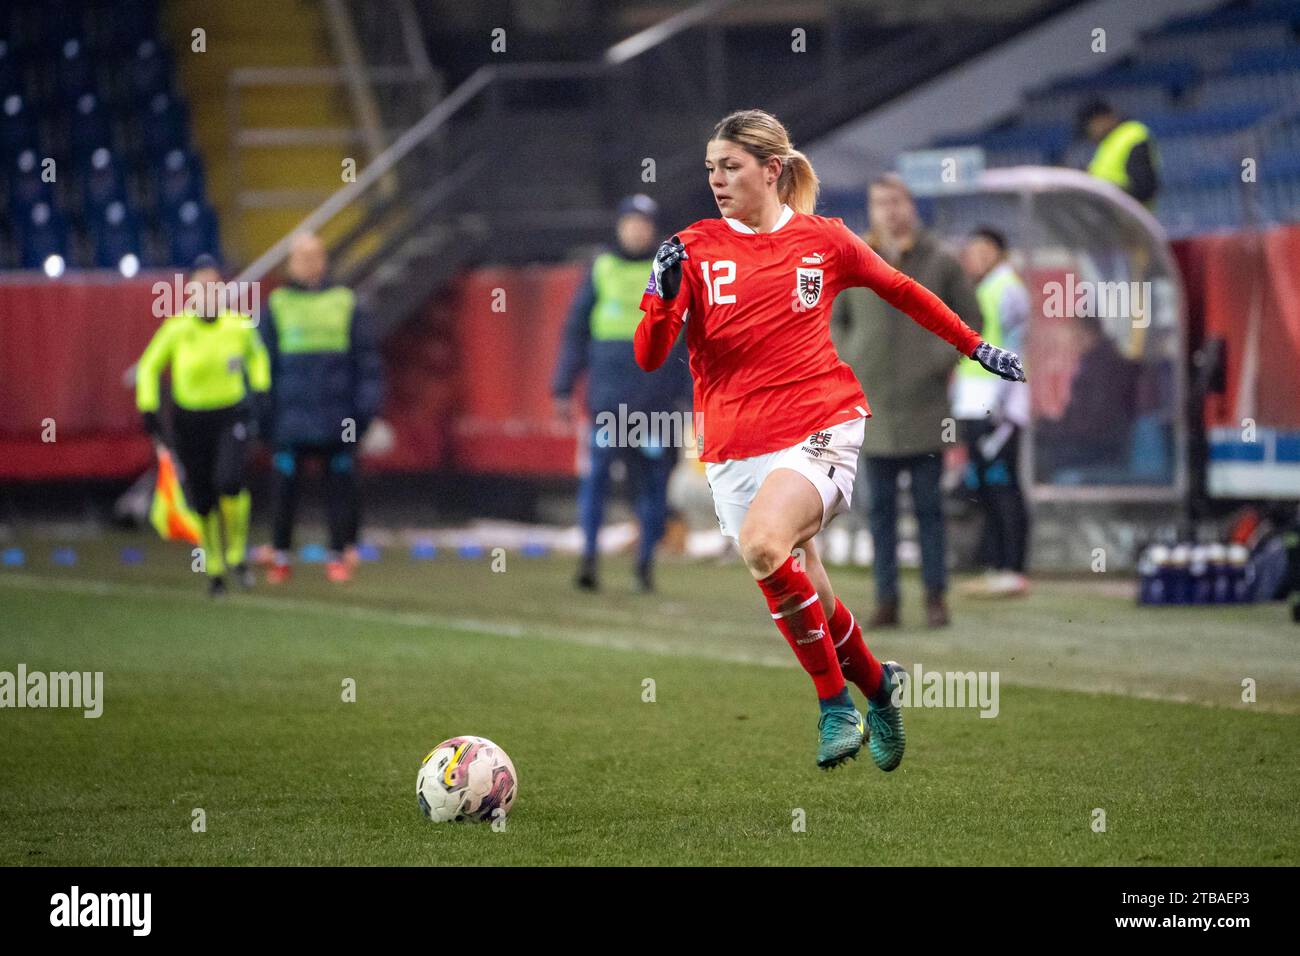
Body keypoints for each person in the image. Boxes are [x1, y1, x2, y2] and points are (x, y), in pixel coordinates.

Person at [635, 109, 1023, 771]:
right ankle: (880, 687)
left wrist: (974, 345)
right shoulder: (693, 248)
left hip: (821, 420)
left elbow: (901, 289)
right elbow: (650, 356)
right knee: (807, 582)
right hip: (733, 446)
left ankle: (833, 706)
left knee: (762, 546)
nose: (717, 180)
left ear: (771, 170)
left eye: (730, 166)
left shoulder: (825, 240)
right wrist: (659, 289)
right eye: (711, 168)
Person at [832, 173, 983, 629]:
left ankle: (936, 598)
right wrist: (850, 358)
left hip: (926, 410)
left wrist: (939, 360)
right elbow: (831, 319)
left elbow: (971, 319)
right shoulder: (852, 259)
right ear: (871, 209)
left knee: (929, 509)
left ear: (911, 205)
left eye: (896, 201)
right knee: (878, 513)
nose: (890, 211)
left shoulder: (940, 261)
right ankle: (886, 600)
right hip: (871, 409)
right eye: (880, 203)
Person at [552, 194, 691, 592]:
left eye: (644, 223)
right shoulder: (601, 269)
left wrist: (691, 398)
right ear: (620, 226)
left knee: (653, 486)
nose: (637, 229)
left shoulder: (671, 271)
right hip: (609, 404)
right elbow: (576, 331)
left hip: (656, 404)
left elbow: (687, 339)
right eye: (631, 221)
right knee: (595, 478)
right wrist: (562, 386)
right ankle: (589, 561)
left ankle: (644, 566)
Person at [136, 255, 270, 596]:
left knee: (229, 480)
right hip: (190, 422)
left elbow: (258, 358)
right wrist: (149, 410)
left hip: (230, 415)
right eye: (201, 286)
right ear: (190, 292)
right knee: (203, 497)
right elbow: (149, 367)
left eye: (214, 285)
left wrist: (260, 391)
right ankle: (213, 565)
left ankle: (237, 551)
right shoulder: (177, 329)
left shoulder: (239, 325)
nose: (208, 292)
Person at [260, 232, 383, 584]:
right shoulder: (277, 304)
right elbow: (262, 363)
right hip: (291, 415)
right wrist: (263, 413)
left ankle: (340, 555)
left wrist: (365, 410)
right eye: (302, 256)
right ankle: (280, 556)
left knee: (341, 487)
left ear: (324, 260)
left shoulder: (346, 302)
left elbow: (367, 362)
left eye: (315, 256)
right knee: (284, 488)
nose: (309, 263)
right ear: (291, 263)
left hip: (337, 415)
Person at [954, 227, 1031, 598]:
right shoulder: (983, 289)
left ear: (999, 252)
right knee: (985, 486)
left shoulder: (1008, 290)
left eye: (983, 250)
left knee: (1003, 485)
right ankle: (996, 564)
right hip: (975, 402)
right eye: (972, 250)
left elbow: (1014, 347)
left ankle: (1013, 568)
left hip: (996, 406)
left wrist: (1002, 403)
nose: (976, 257)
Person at [1078, 97, 1159, 208]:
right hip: (1112, 221)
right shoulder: (1107, 145)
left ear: (1103, 118)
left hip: (1129, 220)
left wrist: (1104, 192)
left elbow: (1144, 188)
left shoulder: (1132, 135)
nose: (1090, 133)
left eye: (1091, 126)